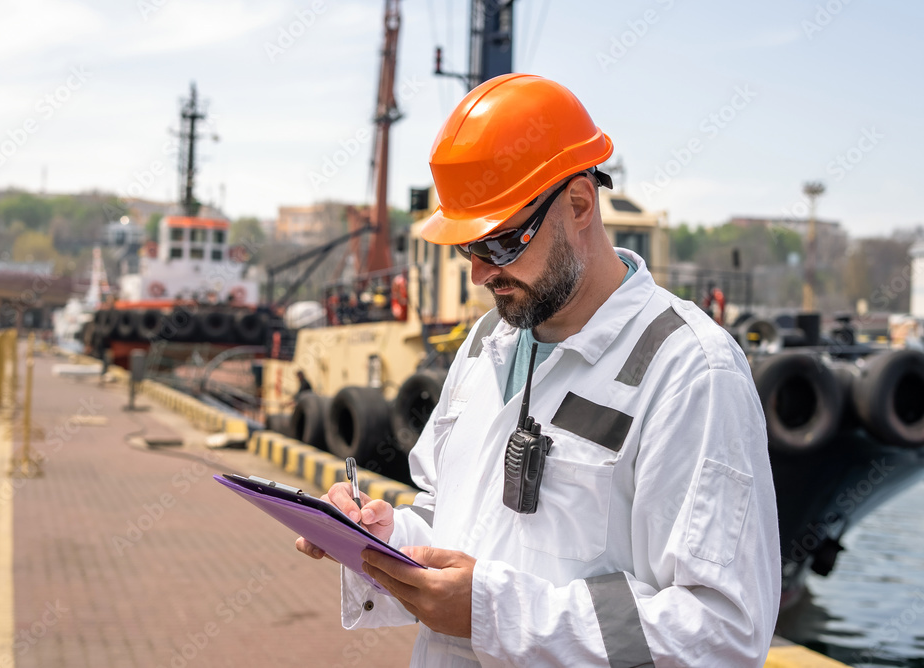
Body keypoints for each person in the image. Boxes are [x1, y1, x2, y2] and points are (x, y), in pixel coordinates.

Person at [297, 73, 780, 666]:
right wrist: (383, 539)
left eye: (499, 244)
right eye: (466, 248)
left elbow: (719, 633)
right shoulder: (485, 343)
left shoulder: (689, 371)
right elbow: (458, 524)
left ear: (578, 204)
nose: (479, 273)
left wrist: (493, 613)